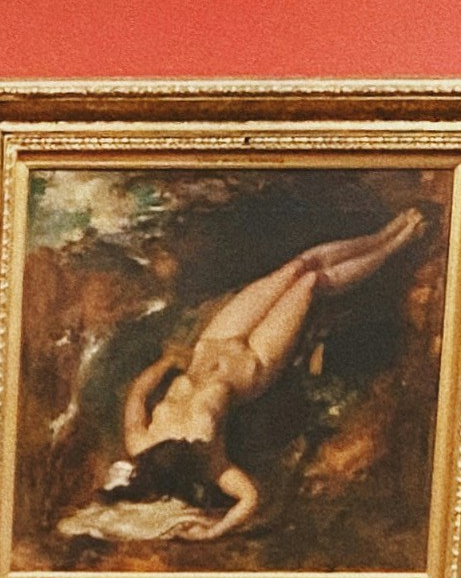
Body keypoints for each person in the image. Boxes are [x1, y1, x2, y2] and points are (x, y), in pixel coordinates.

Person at [64, 204, 426, 548]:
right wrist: (212, 533)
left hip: (214, 342)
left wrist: (167, 364)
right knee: (310, 283)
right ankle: (395, 245)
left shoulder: (140, 443)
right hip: (255, 362)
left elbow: (137, 395)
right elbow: (249, 499)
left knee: (295, 268)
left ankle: (386, 233)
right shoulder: (210, 463)